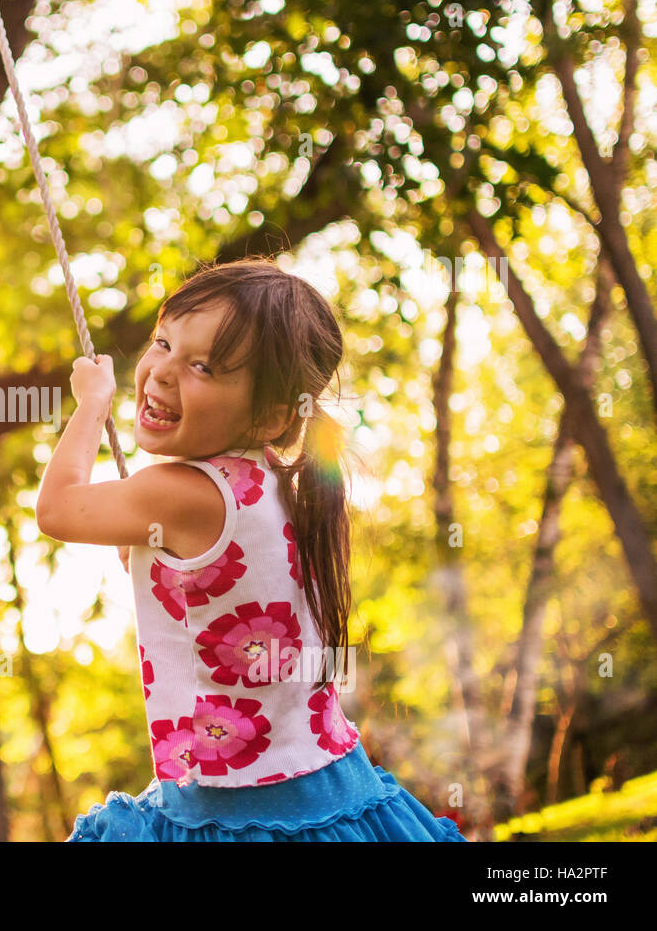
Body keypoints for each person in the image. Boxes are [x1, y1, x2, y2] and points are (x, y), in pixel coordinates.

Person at [35, 257, 466, 841]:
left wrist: (92, 405)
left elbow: (58, 510)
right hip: (332, 782)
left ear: (270, 414)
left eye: (203, 366)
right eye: (163, 342)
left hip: (238, 810)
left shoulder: (181, 492)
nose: (161, 372)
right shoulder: (287, 484)